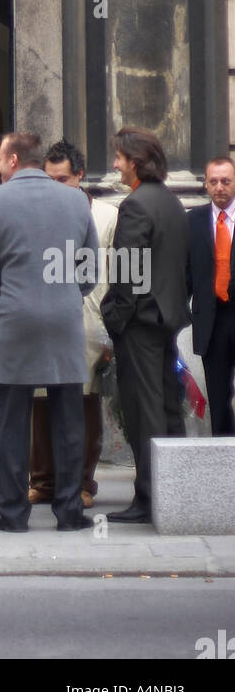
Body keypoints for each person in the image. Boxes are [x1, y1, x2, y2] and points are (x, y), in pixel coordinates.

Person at [0, 131, 98, 533]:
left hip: (15, 318)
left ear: (12, 160)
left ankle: (12, 514)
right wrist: (64, 297)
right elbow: (89, 269)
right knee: (68, 419)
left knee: (12, 420)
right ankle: (69, 512)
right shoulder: (76, 200)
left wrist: (3, 305)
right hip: (63, 319)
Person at [101, 127, 190, 523]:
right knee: (168, 406)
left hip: (140, 321)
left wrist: (115, 316)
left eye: (119, 158)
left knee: (144, 409)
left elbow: (127, 272)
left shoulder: (136, 205)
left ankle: (151, 497)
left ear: (134, 162)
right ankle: (174, 490)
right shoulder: (171, 201)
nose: (116, 165)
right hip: (166, 316)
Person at [31, 138, 119, 508]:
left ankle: (83, 482)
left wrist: (109, 329)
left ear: (80, 176)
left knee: (84, 404)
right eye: (48, 179)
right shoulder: (34, 212)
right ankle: (44, 481)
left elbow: (116, 274)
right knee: (40, 403)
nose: (55, 187)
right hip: (43, 321)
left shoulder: (107, 217)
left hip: (88, 321)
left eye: (63, 179)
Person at [187, 157, 235, 436]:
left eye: (226, 181)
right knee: (217, 397)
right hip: (211, 321)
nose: (219, 187)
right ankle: (224, 455)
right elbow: (185, 271)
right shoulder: (192, 220)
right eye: (214, 181)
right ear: (205, 183)